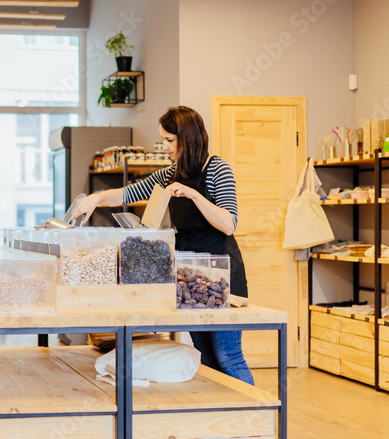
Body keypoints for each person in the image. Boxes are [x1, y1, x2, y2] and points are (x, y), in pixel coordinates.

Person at [74, 106, 254, 385]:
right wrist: (95, 198)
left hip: (221, 276)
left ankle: (252, 421)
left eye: (170, 140)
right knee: (204, 354)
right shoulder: (171, 173)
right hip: (190, 278)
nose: (165, 146)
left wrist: (194, 195)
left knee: (227, 355)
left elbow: (229, 223)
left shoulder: (219, 169)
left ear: (189, 138)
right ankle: (219, 419)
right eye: (164, 140)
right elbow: (129, 192)